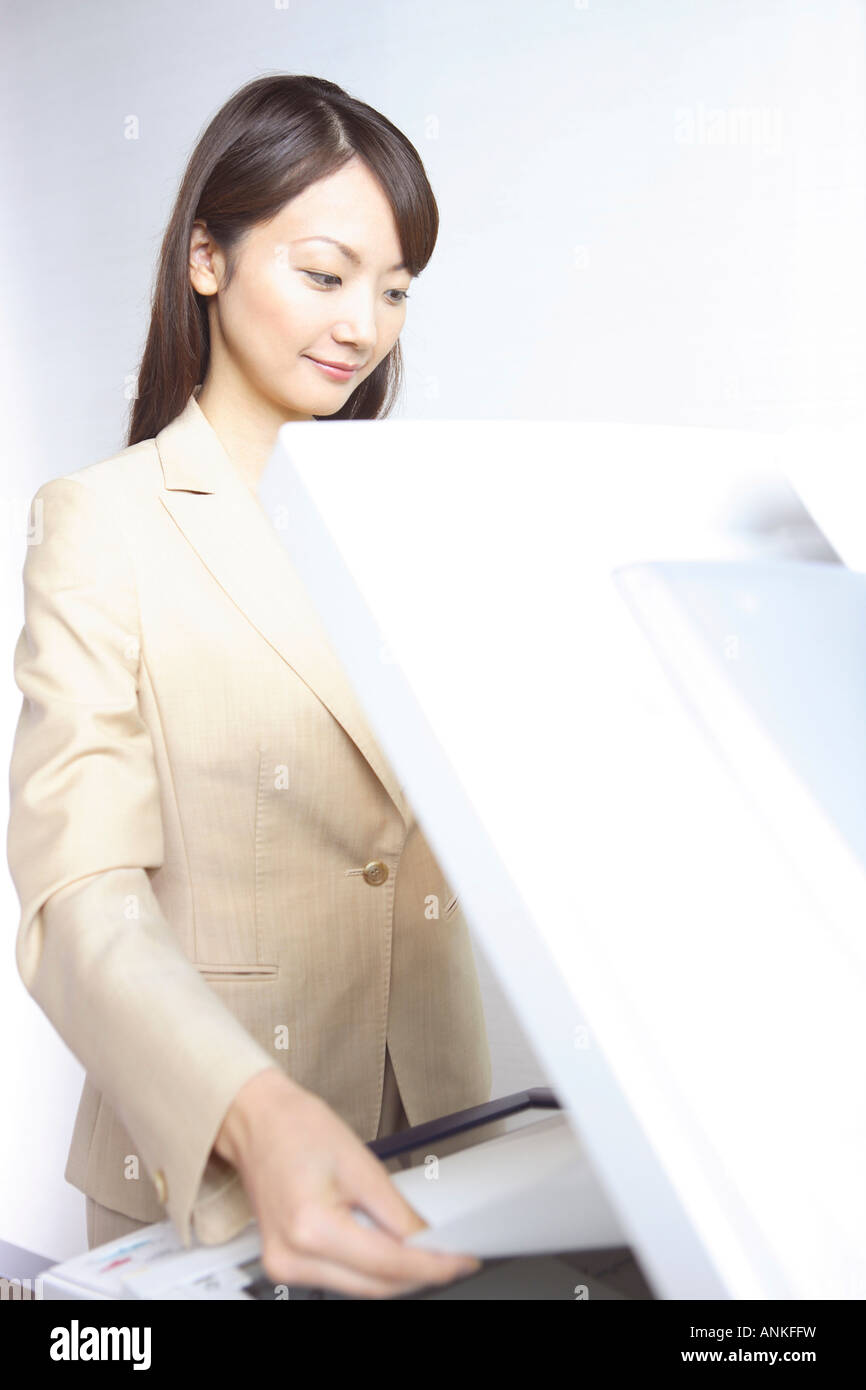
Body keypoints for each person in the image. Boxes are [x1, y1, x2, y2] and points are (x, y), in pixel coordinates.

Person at [6, 73, 491, 1299]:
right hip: (208, 1167)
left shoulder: (420, 529)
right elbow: (79, 899)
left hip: (443, 1134)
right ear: (207, 260)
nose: (363, 325)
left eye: (392, 291)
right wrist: (252, 1111)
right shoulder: (100, 523)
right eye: (325, 276)